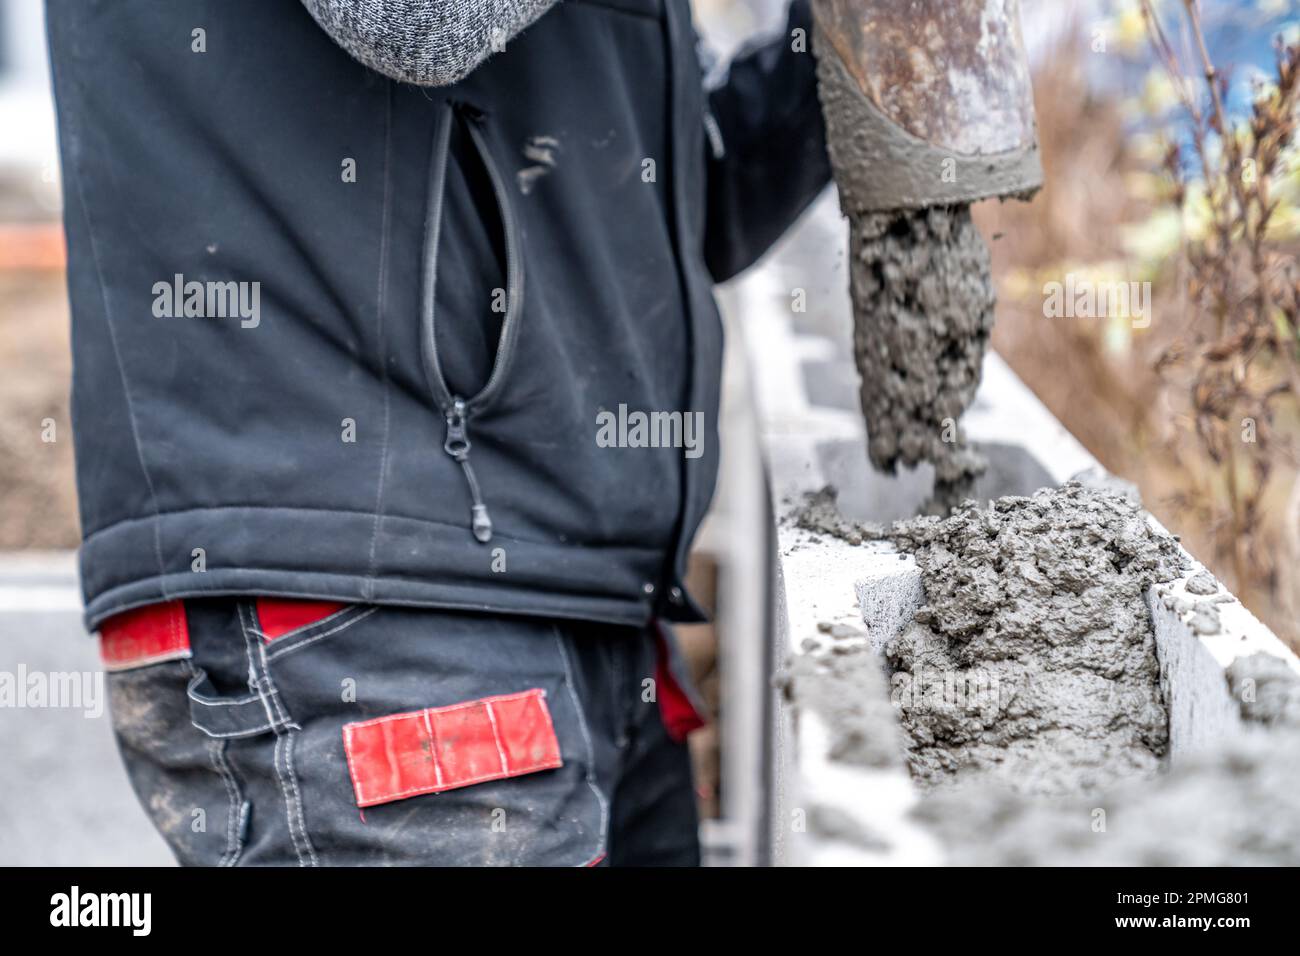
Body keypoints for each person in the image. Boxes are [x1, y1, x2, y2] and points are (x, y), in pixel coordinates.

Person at [45, 0, 830, 865]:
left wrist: (856, 48)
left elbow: (683, 197)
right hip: (359, 606)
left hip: (586, 600)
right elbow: (417, 18)